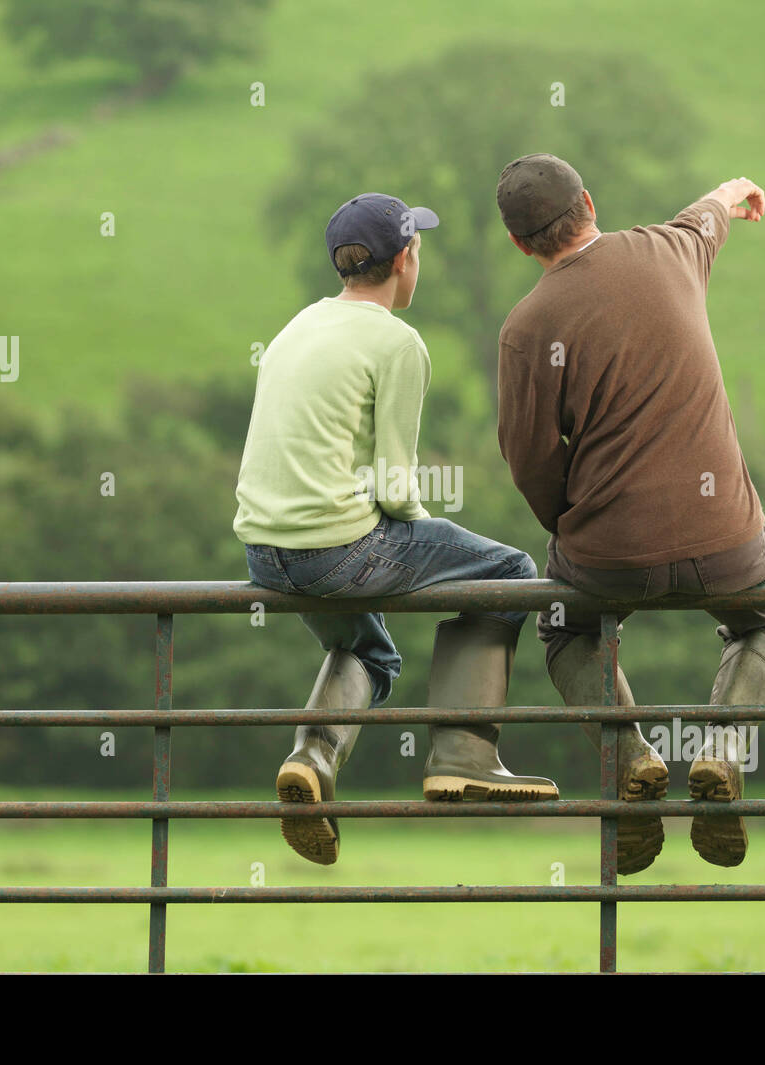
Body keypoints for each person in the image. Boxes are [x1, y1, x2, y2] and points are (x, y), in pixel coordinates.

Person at [494, 154, 765, 873]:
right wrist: (736, 190)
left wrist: (571, 523)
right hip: (727, 537)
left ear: (519, 244)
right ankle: (723, 751)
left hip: (607, 552)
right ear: (591, 201)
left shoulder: (527, 326)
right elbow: (708, 215)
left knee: (568, 628)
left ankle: (633, 759)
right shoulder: (672, 248)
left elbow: (530, 458)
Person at [234, 192, 556, 867]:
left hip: (263, 549)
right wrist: (430, 541)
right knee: (510, 572)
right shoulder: (398, 342)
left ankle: (312, 759)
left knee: (374, 653)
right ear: (406, 259)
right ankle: (463, 755)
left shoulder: (298, 326)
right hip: (335, 549)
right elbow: (395, 486)